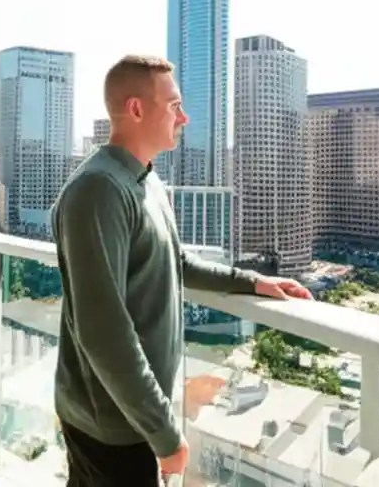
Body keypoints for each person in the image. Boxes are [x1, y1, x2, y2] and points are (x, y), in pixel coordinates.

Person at [52, 55, 313, 486]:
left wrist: (252, 282)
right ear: (137, 109)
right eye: (174, 105)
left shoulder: (147, 182)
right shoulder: (98, 190)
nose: (184, 116)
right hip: (113, 428)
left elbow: (175, 264)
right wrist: (165, 433)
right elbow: (104, 332)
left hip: (134, 417)